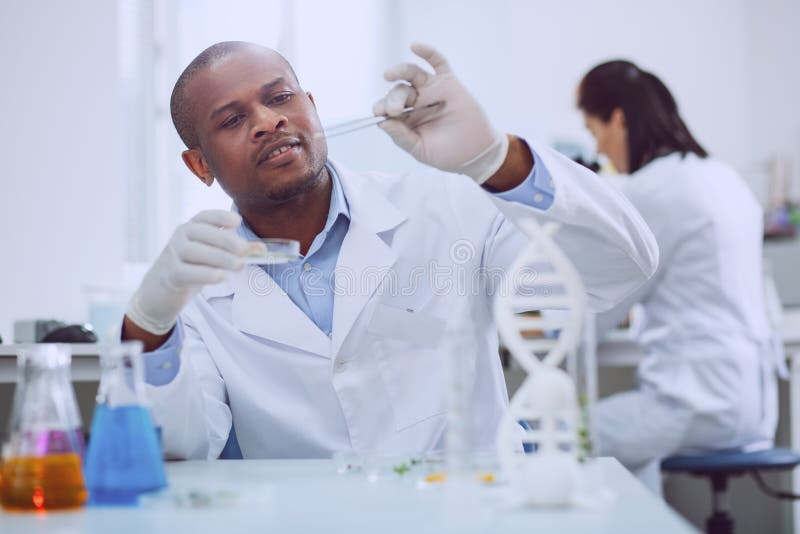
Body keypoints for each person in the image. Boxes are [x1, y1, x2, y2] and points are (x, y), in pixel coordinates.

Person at [122, 41, 658, 459]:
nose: (268, 121)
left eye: (280, 97)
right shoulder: (194, 280)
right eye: (233, 120)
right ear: (200, 166)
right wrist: (148, 323)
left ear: (311, 107)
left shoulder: (447, 208)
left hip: (466, 515)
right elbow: (184, 445)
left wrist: (497, 160)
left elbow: (619, 268)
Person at [577, 60, 783, 489]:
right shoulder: (723, 177)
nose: (598, 151)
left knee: (550, 435)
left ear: (618, 119)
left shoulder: (650, 190)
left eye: (595, 132)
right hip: (752, 406)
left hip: (695, 406)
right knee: (632, 453)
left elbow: (593, 314)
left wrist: (540, 316)